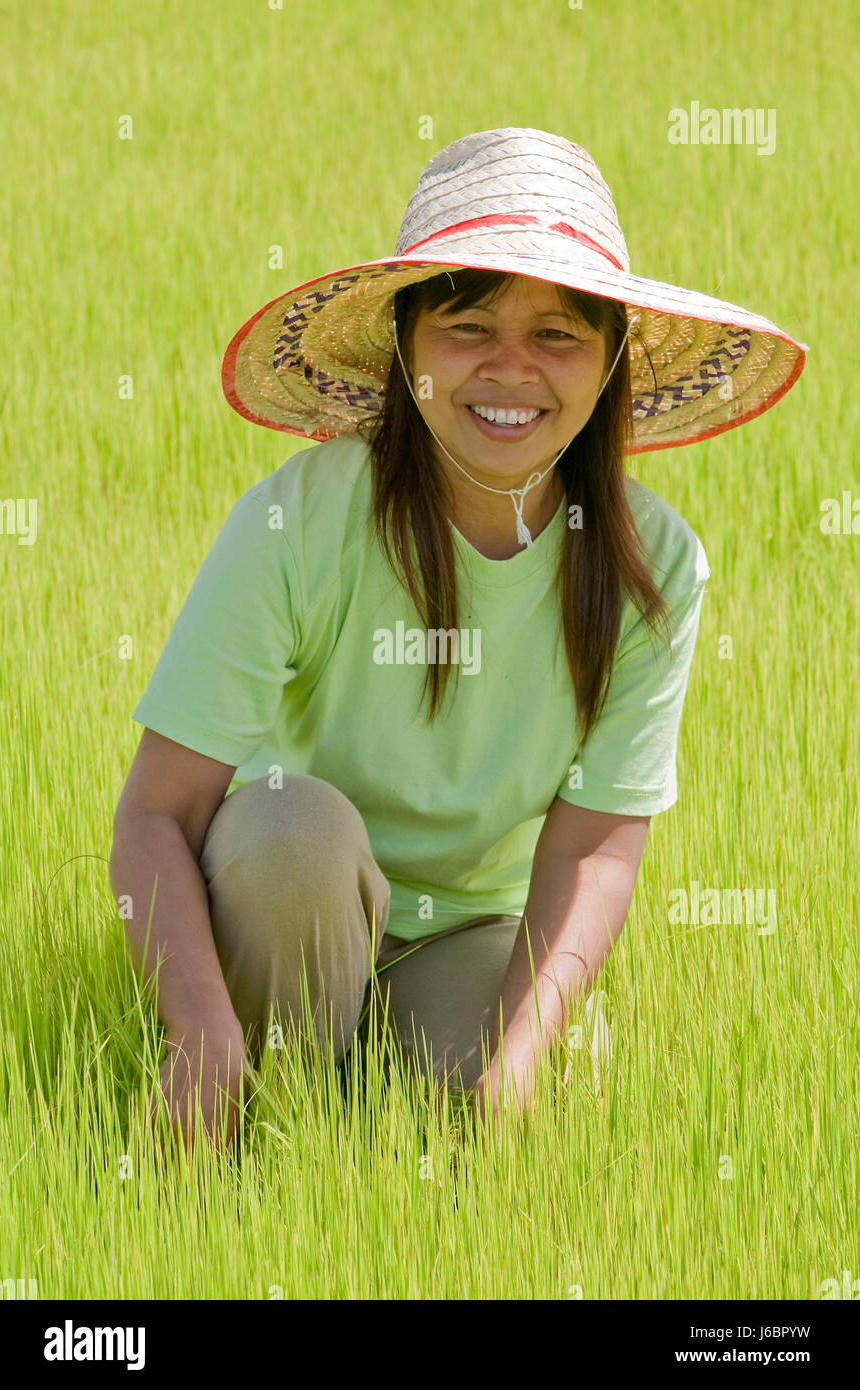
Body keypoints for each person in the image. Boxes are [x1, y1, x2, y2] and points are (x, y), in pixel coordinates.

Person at [109, 127, 806, 1149]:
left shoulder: (650, 563)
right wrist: (199, 1031)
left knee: (545, 1109)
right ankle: (256, 1111)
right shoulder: (301, 518)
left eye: (558, 335)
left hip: (466, 928)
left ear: (611, 357)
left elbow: (597, 847)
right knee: (291, 827)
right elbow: (155, 814)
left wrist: (516, 1064)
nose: (510, 370)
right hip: (288, 899)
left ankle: (371, 1114)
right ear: (404, 345)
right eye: (467, 325)